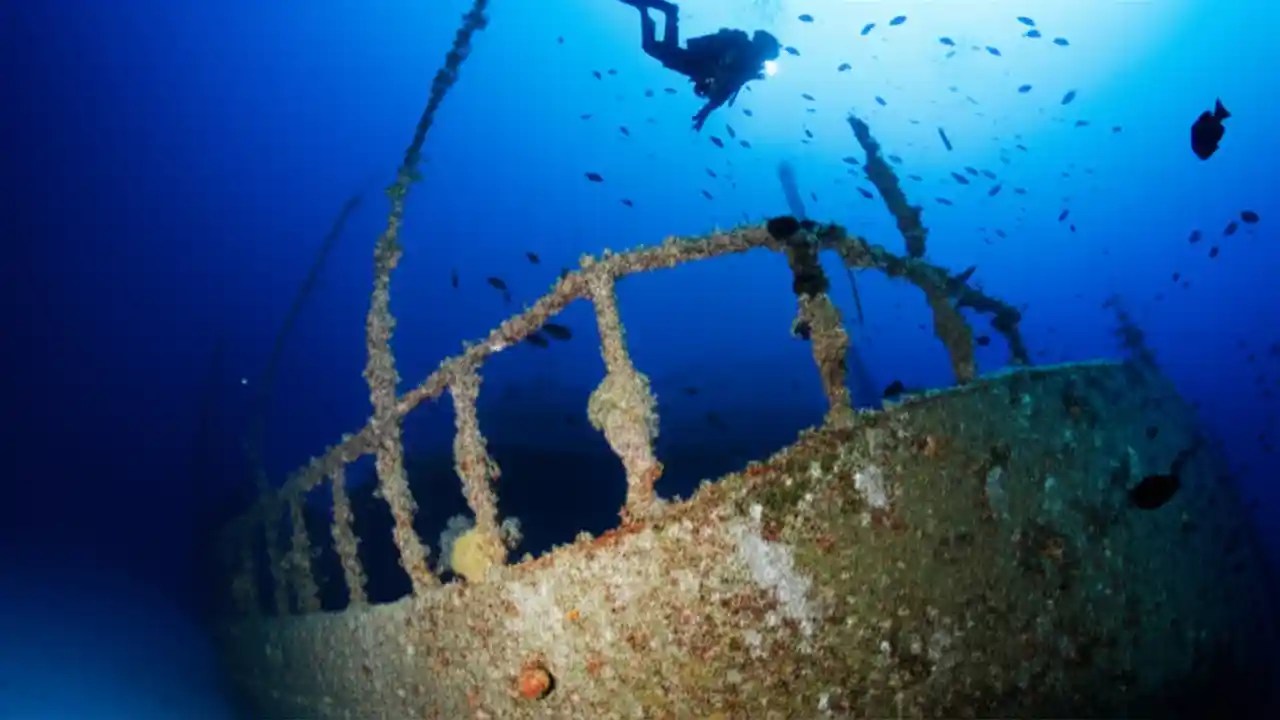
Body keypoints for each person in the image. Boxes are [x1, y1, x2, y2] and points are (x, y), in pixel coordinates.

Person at [618, 0, 780, 131]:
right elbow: (724, 90)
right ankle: (661, 11)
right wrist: (705, 111)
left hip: (697, 66)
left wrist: (705, 112)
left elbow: (723, 92)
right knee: (656, 49)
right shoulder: (746, 66)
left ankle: (652, 10)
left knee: (658, 49)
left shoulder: (747, 65)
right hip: (698, 65)